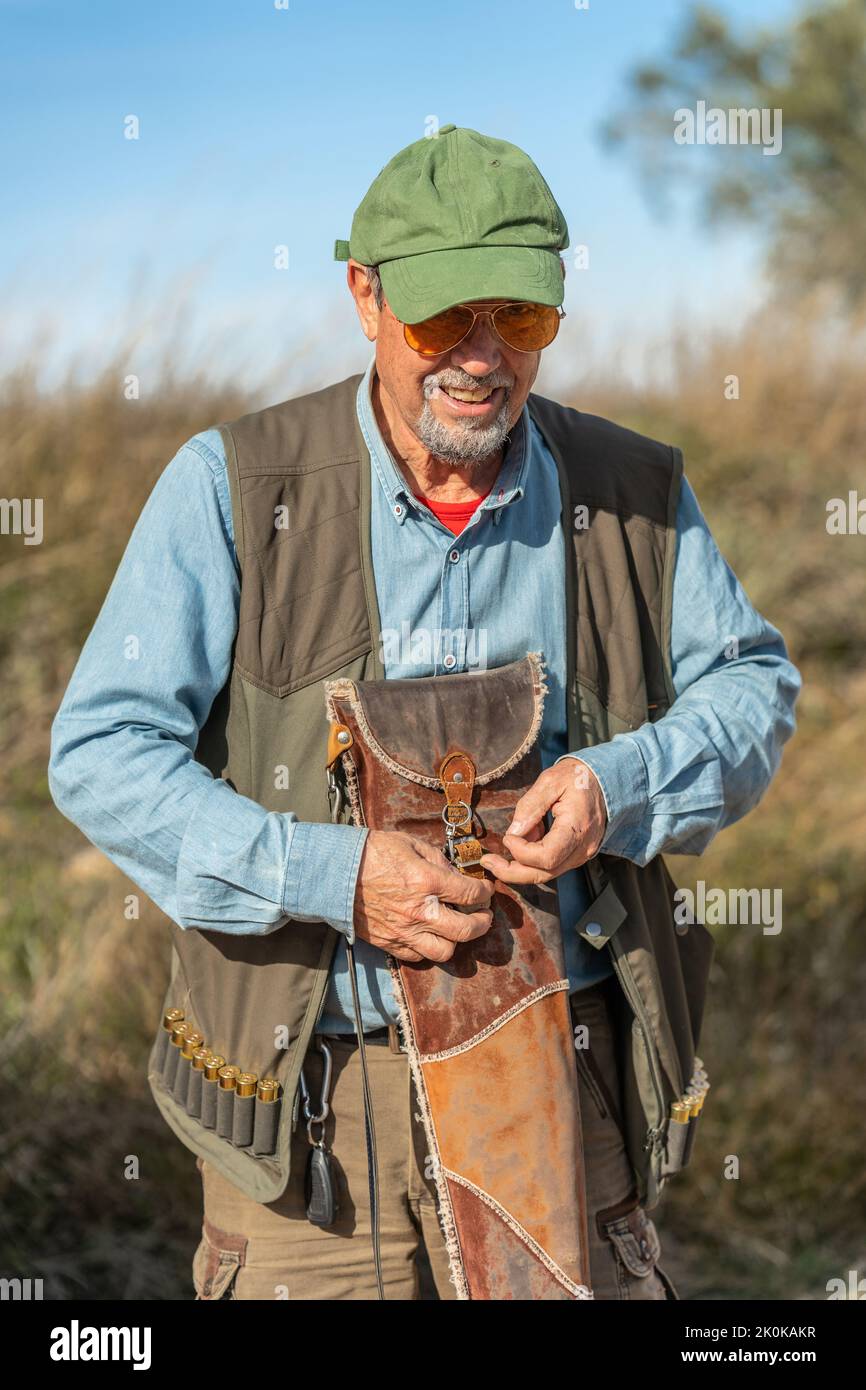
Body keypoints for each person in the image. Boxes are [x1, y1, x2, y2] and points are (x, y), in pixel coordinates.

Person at [48, 123, 801, 1301]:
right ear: (363, 295)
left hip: (563, 1080)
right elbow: (100, 752)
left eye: (521, 318)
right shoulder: (231, 487)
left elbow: (753, 690)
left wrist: (619, 784)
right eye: (444, 318)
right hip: (309, 1116)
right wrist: (333, 875)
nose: (483, 358)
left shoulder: (636, 490)